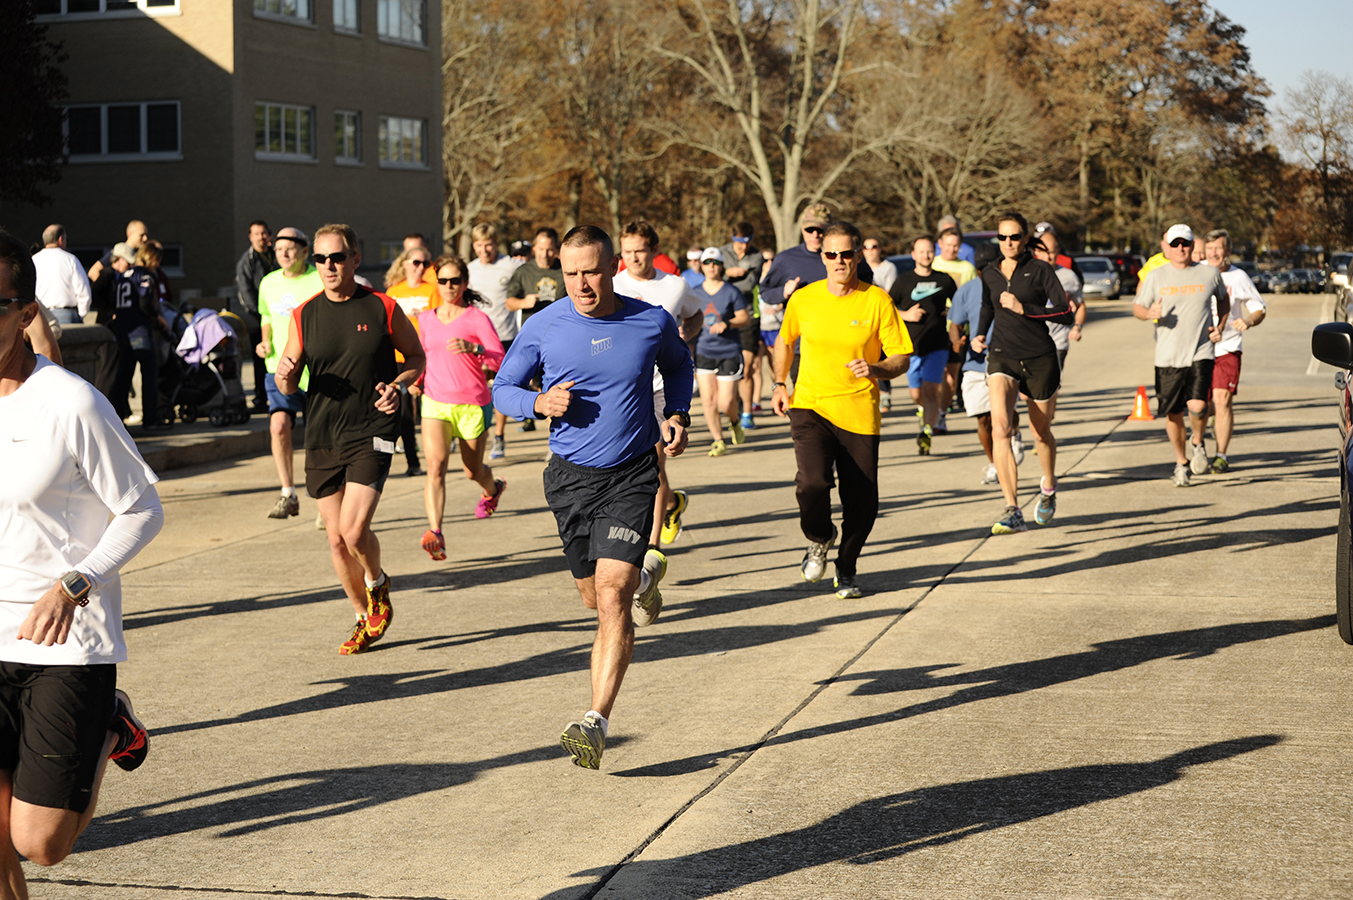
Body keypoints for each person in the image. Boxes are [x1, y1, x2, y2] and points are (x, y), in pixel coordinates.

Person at [492, 225, 693, 770]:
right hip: (569, 480)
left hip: (631, 474)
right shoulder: (544, 325)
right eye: (571, 273)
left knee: (611, 594)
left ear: (612, 269)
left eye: (592, 272)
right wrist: (538, 403)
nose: (582, 284)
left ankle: (594, 722)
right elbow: (503, 389)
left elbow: (678, 365)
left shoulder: (649, 321)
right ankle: (646, 579)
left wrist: (677, 413)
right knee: (592, 596)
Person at [0, 230, 160, 895]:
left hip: (65, 643)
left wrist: (74, 584)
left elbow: (143, 508)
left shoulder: (70, 402)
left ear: (25, 313)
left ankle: (109, 724)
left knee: (40, 843)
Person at [275, 224, 426, 654]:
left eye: (337, 257)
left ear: (355, 259)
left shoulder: (382, 306)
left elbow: (416, 356)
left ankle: (377, 584)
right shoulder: (304, 314)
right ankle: (364, 616)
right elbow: (288, 381)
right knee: (336, 539)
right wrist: (285, 376)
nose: (328, 266)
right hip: (323, 433)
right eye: (321, 259)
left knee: (354, 530)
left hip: (372, 429)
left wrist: (397, 386)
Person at [771, 221, 910, 598]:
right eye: (831, 254)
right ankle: (819, 537)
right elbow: (785, 340)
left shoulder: (876, 300)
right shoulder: (804, 299)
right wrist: (780, 383)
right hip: (810, 405)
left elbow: (901, 357)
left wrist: (877, 368)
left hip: (859, 410)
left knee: (862, 503)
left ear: (858, 256)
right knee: (812, 484)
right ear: (822, 256)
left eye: (846, 253)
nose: (839, 260)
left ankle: (846, 567)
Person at [970, 212, 1073, 533]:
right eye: (1002, 237)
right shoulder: (990, 272)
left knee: (1040, 432)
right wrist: (980, 333)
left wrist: (1024, 309)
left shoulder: (1041, 270)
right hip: (1002, 356)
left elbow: (1065, 313)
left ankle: (1048, 486)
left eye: (1014, 237)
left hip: (1040, 357)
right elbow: (988, 305)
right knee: (1000, 427)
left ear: (1025, 238)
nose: (1008, 243)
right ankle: (1012, 508)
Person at [613, 221, 703, 548]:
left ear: (654, 250)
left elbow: (695, 314)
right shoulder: (612, 285)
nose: (633, 258)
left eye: (640, 251)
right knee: (629, 462)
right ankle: (671, 503)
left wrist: (684, 335)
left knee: (654, 460)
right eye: (627, 252)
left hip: (661, 384)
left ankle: (651, 548)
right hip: (625, 387)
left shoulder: (675, 285)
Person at [416, 256, 506, 561]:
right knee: (436, 467)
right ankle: (436, 533)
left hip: (472, 404)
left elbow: (500, 359)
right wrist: (416, 379)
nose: (449, 286)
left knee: (472, 471)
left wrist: (476, 349)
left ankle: (492, 489)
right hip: (435, 402)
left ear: (465, 283)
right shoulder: (425, 319)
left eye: (455, 280)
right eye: (443, 280)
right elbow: (420, 355)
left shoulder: (477, 319)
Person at [1132, 224, 1229, 485]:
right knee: (1173, 414)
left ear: (1192, 245)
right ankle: (1181, 462)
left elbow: (1223, 300)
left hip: (1201, 350)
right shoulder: (1156, 276)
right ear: (1166, 247)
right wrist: (1149, 313)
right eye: (1175, 244)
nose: (1180, 248)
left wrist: (1220, 326)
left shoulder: (1209, 274)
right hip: (1167, 356)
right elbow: (1138, 308)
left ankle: (1197, 442)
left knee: (1198, 406)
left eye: (1185, 243)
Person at [256, 228, 322, 519]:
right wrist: (265, 341)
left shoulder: (319, 279)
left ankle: (325, 498)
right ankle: (288, 493)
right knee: (278, 426)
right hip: (278, 368)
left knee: (318, 437)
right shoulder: (268, 282)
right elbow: (266, 315)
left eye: (290, 248)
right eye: (278, 248)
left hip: (317, 369)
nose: (283, 253)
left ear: (305, 251)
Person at [1202, 228, 1266, 473]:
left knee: (1222, 400)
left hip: (1228, 346)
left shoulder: (1238, 277)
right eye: (1209, 248)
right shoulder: (1197, 272)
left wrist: (1248, 321)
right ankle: (1199, 444)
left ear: (1228, 251)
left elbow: (1259, 308)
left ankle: (1221, 455)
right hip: (1199, 348)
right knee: (1201, 405)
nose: (1213, 253)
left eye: (1218, 248)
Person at [890, 236, 956, 455]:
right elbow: (887, 309)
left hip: (938, 344)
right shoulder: (903, 281)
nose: (926, 255)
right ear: (913, 254)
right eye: (921, 251)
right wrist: (906, 315)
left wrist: (952, 314)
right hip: (911, 346)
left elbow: (959, 303)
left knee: (931, 389)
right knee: (916, 393)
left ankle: (927, 431)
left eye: (929, 251)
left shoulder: (944, 280)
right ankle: (922, 409)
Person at [946, 275, 1014, 484]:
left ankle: (1015, 436)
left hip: (1007, 359)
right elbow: (955, 324)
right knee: (983, 419)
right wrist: (956, 340)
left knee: (1004, 416)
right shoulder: (967, 290)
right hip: (975, 362)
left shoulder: (1013, 285)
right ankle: (995, 463)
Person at [467, 223, 523, 461]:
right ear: (474, 246)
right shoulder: (469, 270)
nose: (484, 250)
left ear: (496, 243)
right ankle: (473, 433)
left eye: (488, 244)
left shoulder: (510, 265)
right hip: (477, 339)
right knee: (477, 388)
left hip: (505, 337)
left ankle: (499, 436)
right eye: (479, 245)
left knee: (501, 388)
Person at [385, 246, 441, 477]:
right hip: (397, 358)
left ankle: (428, 458)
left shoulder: (433, 290)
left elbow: (439, 324)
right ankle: (406, 462)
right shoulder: (393, 291)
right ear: (405, 264)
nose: (421, 267)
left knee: (423, 411)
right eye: (416, 262)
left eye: (426, 264)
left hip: (424, 357)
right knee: (400, 413)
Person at [505, 227, 566, 434]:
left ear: (556, 249)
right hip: (533, 338)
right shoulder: (523, 272)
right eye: (541, 249)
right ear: (534, 247)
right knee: (537, 384)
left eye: (549, 249)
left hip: (560, 337)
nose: (545, 254)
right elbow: (509, 303)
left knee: (554, 385)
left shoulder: (564, 269)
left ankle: (554, 436)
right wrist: (524, 302)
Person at [694, 247, 751, 456]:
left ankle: (734, 420)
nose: (711, 266)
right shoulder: (694, 292)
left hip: (729, 352)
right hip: (703, 351)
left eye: (715, 263)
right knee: (708, 401)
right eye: (707, 262)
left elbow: (745, 317)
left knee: (725, 402)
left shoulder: (731, 291)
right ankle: (718, 440)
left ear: (722, 266)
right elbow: (686, 317)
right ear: (701, 266)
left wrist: (727, 323)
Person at [106, 243, 169, 431]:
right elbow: (144, 302)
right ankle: (150, 418)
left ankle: (116, 418)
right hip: (139, 330)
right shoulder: (144, 275)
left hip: (122, 330)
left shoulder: (124, 276)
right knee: (149, 374)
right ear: (151, 258)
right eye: (157, 260)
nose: (157, 265)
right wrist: (157, 318)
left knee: (124, 376)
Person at [1031, 236, 1086, 422]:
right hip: (1031, 339)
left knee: (1050, 385)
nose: (1047, 257)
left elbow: (1081, 306)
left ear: (1058, 253)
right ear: (1035, 252)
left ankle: (1045, 423)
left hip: (1057, 340)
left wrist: (1077, 326)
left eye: (1052, 252)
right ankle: (1041, 422)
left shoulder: (1068, 277)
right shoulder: (1027, 273)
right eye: (1043, 252)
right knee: (1028, 390)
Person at [933, 226, 980, 431]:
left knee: (952, 377)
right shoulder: (933, 264)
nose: (952, 249)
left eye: (956, 246)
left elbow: (970, 298)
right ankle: (930, 410)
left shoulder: (967, 268)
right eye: (948, 245)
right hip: (935, 328)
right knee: (936, 375)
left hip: (958, 328)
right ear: (940, 244)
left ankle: (941, 414)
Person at [721, 223, 765, 431]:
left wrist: (726, 278)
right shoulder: (722, 253)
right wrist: (728, 273)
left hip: (748, 316)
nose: (743, 247)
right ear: (733, 239)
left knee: (747, 368)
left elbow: (749, 285)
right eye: (739, 242)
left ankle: (747, 412)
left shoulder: (757, 256)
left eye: (747, 242)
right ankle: (735, 405)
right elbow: (713, 279)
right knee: (731, 368)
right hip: (726, 316)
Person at [234, 220, 279, 410]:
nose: (261, 237)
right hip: (258, 317)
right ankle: (261, 397)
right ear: (250, 237)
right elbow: (247, 294)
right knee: (260, 359)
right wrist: (263, 314)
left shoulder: (277, 256)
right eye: (257, 234)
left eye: (264, 233)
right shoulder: (247, 262)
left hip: (280, 314)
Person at [33, 225, 92, 325]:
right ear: (60, 239)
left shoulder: (34, 260)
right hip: (66, 315)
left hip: (40, 315)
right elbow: (83, 291)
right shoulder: (70, 259)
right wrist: (81, 315)